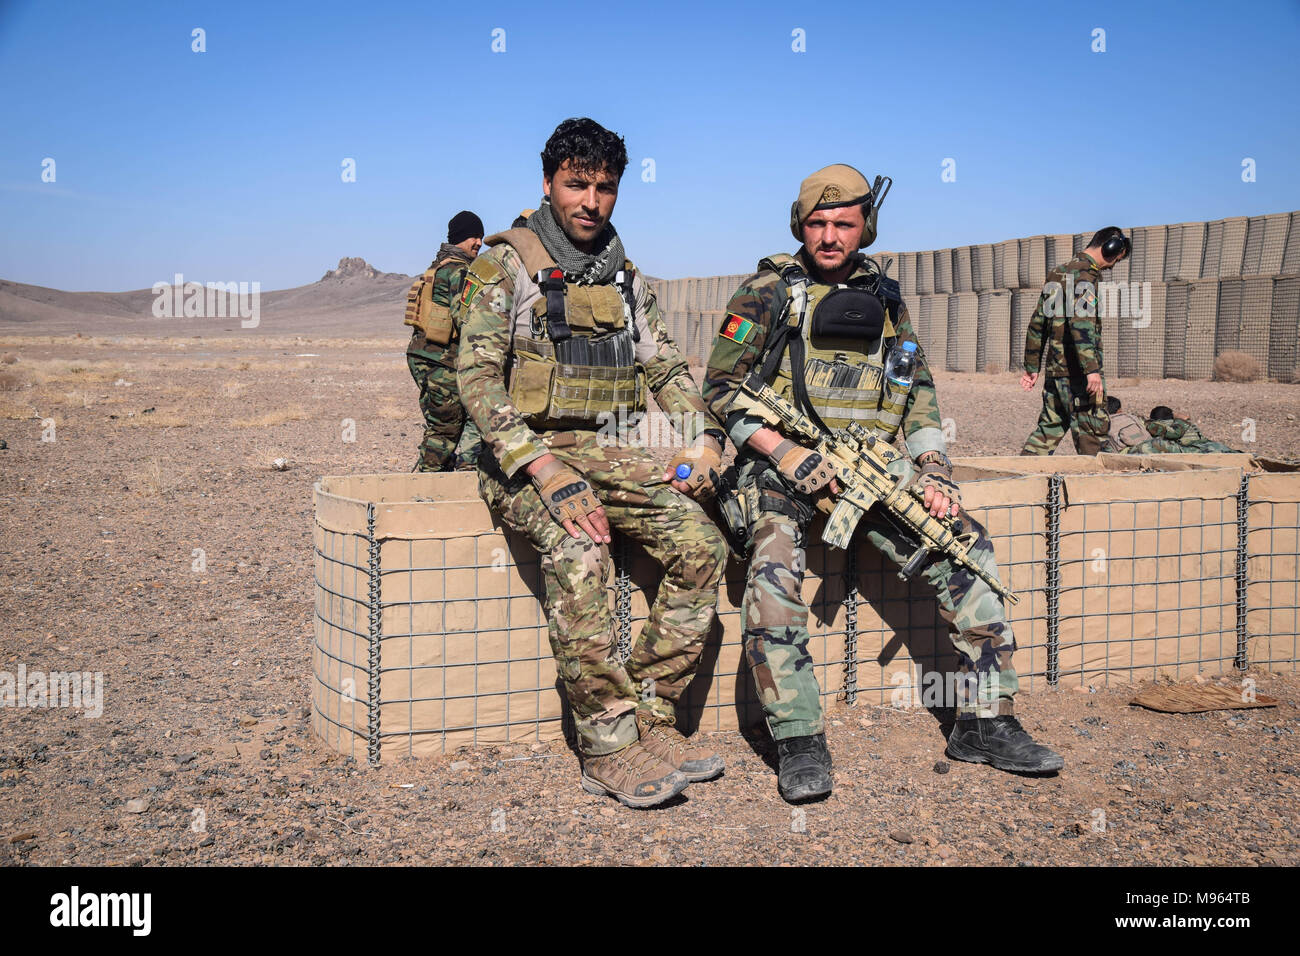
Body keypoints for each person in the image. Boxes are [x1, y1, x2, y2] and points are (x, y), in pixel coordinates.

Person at [702, 164, 1063, 803]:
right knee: (773, 571)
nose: (831, 236)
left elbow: (916, 392)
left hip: (873, 467)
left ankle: (987, 720)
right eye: (818, 223)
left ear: (866, 225)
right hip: (785, 467)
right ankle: (798, 737)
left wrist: (932, 468)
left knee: (967, 549)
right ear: (800, 226)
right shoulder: (765, 293)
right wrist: (784, 452)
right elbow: (721, 389)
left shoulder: (887, 300)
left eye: (845, 223)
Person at [455, 118, 729, 808]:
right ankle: (606, 747)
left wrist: (702, 439)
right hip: (522, 457)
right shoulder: (506, 263)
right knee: (583, 551)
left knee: (700, 545)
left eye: (605, 187)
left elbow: (664, 363)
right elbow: (478, 381)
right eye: (577, 184)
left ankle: (649, 716)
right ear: (548, 183)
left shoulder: (623, 274)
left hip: (606, 448)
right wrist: (543, 469)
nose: (591, 201)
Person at [1019, 227, 1131, 456]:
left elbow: (1037, 323)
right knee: (1094, 436)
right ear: (1110, 250)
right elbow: (1081, 324)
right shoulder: (1086, 277)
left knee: (1047, 431)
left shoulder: (1057, 273)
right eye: (1115, 261)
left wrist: (1032, 367)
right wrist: (1091, 370)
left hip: (1056, 373)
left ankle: (1017, 480)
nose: (1111, 266)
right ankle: (1097, 489)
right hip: (1078, 376)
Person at [405, 210, 487, 472]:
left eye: (481, 237)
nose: (479, 242)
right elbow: (465, 318)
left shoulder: (437, 266)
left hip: (424, 356)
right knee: (446, 427)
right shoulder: (459, 272)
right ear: (461, 237)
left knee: (445, 421)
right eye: (474, 236)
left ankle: (441, 478)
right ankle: (427, 486)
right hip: (440, 360)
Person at [1125, 405, 1240, 454]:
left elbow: (1174, 434)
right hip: (1210, 446)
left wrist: (1145, 422)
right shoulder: (1178, 423)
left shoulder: (1167, 425)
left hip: (1199, 450)